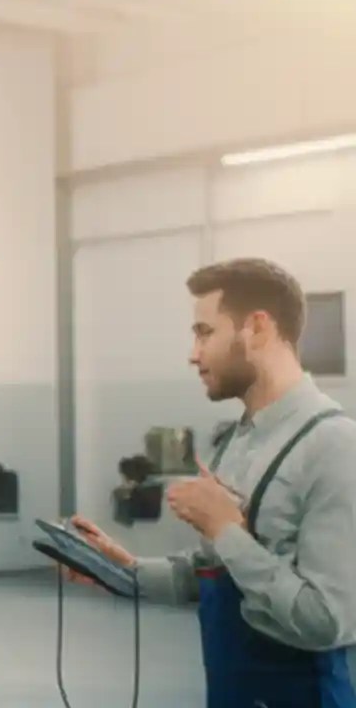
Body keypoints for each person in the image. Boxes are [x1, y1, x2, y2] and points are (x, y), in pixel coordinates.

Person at [68, 257, 356, 708]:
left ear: (256, 328)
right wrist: (124, 571)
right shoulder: (238, 442)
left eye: (205, 332)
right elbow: (214, 573)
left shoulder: (335, 447)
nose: (193, 354)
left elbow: (328, 621)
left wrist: (226, 530)